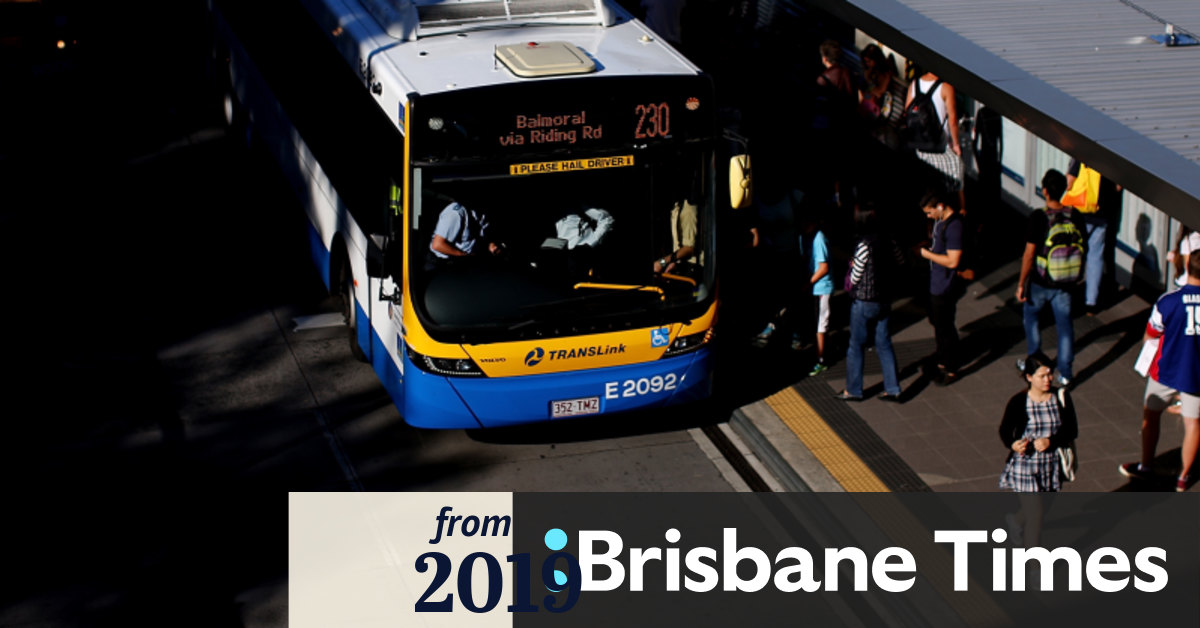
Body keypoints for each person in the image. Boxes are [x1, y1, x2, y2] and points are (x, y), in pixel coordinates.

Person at [1119, 253, 1200, 492]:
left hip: (1166, 370)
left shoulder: (1168, 301)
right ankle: (1183, 477)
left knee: (1151, 414)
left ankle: (1146, 466)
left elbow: (1151, 333)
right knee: (1193, 423)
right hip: (1195, 376)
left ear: (1187, 267)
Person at [1016, 169, 1085, 387]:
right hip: (1066, 283)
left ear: (1044, 191)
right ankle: (1066, 372)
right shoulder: (1075, 215)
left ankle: (1035, 364)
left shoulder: (1039, 217)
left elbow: (1029, 254)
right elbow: (1084, 248)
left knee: (1032, 320)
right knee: (1065, 327)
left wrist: (1021, 283)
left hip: (1040, 281)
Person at [837, 202, 905, 402]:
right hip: (885, 299)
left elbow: (856, 275)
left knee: (856, 345)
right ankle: (893, 388)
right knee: (884, 343)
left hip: (864, 302)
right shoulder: (889, 240)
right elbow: (901, 261)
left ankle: (853, 389)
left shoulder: (864, 245)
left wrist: (852, 266)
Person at [917, 189, 964, 385]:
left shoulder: (954, 227)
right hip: (936, 281)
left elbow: (953, 261)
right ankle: (943, 358)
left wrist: (926, 254)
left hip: (945, 285)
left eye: (930, 212)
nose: (929, 216)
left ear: (941, 206)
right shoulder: (941, 222)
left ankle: (950, 366)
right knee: (938, 323)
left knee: (945, 326)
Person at [905, 69, 965, 212]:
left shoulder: (914, 84)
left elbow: (907, 111)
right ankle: (961, 211)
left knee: (923, 189)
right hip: (938, 148)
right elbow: (953, 120)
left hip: (917, 148)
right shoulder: (946, 87)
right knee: (957, 173)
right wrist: (956, 144)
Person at [1064, 159, 1113, 314]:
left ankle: (1068, 293)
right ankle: (1091, 302)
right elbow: (1117, 187)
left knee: (1073, 253)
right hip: (1102, 214)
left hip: (1080, 213)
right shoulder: (1112, 160)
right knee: (1095, 257)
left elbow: (1069, 183)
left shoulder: (1083, 156)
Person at [798, 214, 833, 373]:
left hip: (822, 288)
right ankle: (822, 353)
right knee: (818, 322)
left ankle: (821, 359)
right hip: (816, 288)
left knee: (821, 325)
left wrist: (808, 283)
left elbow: (824, 268)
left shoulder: (819, 239)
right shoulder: (808, 237)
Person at [429, 200, 502, 262]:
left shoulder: (483, 214)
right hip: (444, 260)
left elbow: (481, 235)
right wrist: (464, 256)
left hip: (468, 258)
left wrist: (491, 245)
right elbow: (438, 245)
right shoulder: (456, 212)